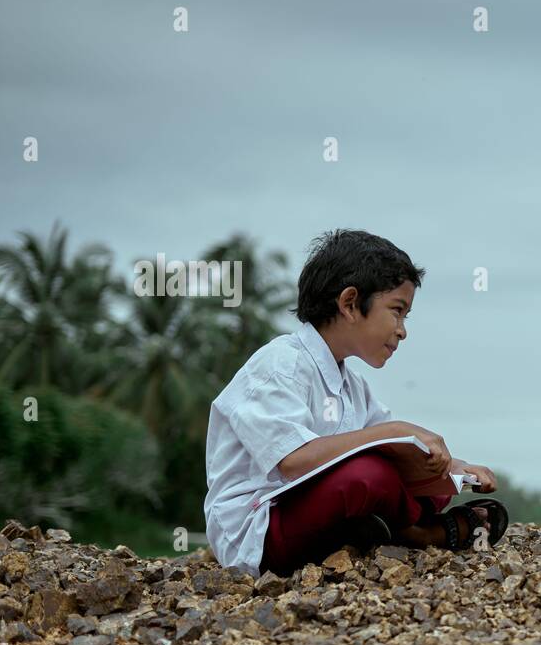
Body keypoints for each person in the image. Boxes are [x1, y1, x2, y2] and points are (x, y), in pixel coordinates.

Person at [204, 229, 507, 577]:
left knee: (424, 473)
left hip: (322, 519)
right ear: (349, 303)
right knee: (368, 476)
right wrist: (393, 431)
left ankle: (391, 528)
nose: (402, 330)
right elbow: (293, 461)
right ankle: (421, 534)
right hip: (262, 534)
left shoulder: (351, 383)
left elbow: (399, 451)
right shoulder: (279, 365)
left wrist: (455, 466)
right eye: (397, 311)